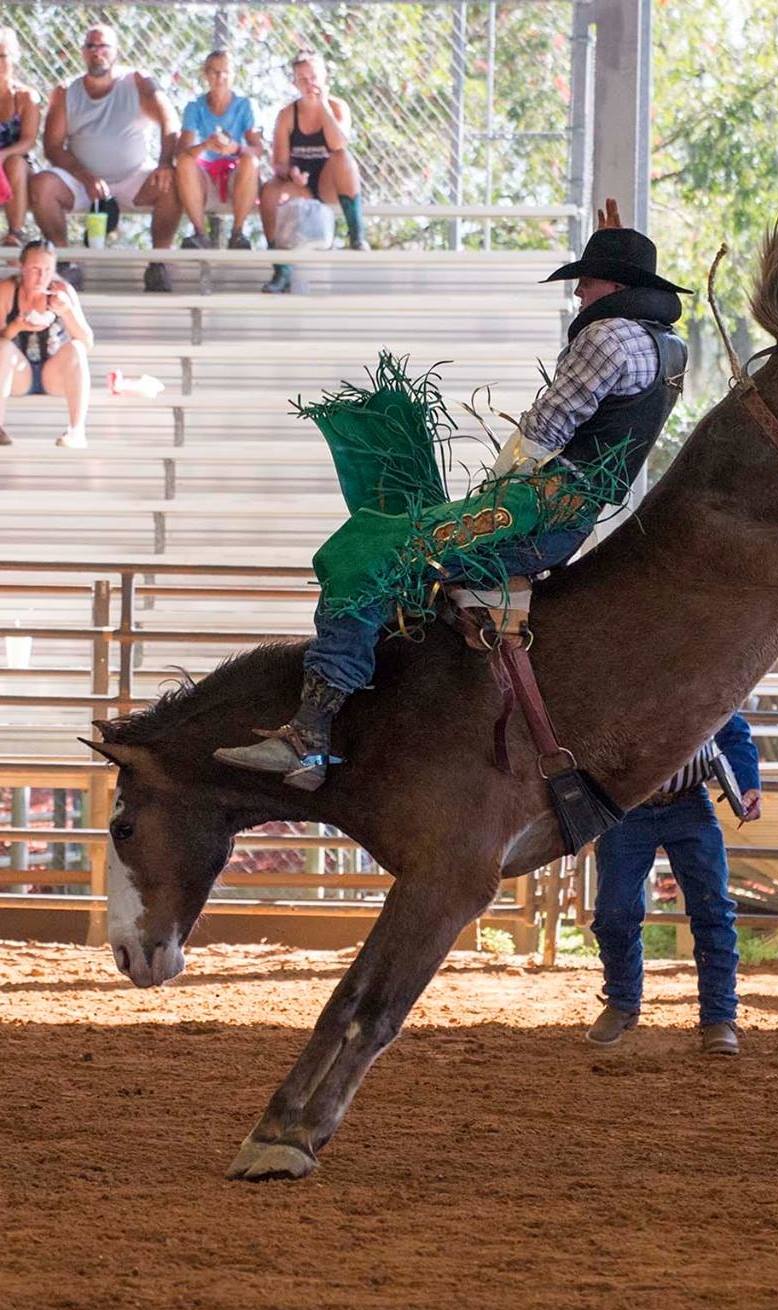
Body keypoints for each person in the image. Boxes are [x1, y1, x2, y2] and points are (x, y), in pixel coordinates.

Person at [213, 200, 690, 789]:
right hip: (570, 516)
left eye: (587, 283)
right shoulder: (666, 348)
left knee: (368, 555)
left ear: (614, 286)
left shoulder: (609, 335)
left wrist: (494, 493)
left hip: (537, 509)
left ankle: (310, 736)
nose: (579, 296)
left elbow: (549, 424)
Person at [587, 714, 762, 1058]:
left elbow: (732, 728)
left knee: (713, 908)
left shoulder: (699, 678)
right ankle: (622, 1002)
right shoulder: (624, 681)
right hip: (626, 802)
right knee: (614, 911)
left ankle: (719, 1017)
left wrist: (747, 781)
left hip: (685, 801)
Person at [30, 23, 181, 293]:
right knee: (42, 184)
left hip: (134, 177)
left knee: (173, 181)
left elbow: (170, 122)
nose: (96, 52)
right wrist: (85, 176)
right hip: (82, 182)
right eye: (90, 46)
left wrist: (165, 163)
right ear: (82, 52)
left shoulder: (138, 82)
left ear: (116, 51)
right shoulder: (67, 91)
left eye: (103, 46)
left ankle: (159, 263)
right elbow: (52, 146)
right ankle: (65, 264)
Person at [258, 50, 365, 294]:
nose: (309, 84)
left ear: (325, 77)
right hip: (301, 184)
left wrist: (323, 105)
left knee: (343, 158)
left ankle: (357, 236)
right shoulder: (287, 115)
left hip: (328, 181)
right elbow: (279, 163)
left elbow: (338, 143)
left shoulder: (338, 106)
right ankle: (281, 269)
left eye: (314, 77)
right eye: (302, 79)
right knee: (269, 191)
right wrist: (292, 173)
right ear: (295, 82)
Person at [0, 238, 94, 447]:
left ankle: (76, 431)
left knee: (76, 348)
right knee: (2, 347)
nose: (41, 276)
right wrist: (16, 327)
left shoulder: (62, 291)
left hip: (52, 373)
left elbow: (87, 342)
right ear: (22, 267)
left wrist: (67, 312)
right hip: (18, 374)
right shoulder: (7, 290)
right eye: (35, 269)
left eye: (47, 269)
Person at [175, 49, 261, 250]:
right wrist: (206, 145)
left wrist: (236, 148)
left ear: (233, 74)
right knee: (185, 163)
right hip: (205, 174)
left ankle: (238, 233)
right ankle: (199, 234)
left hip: (234, 174)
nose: (220, 77)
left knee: (251, 161)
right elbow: (182, 152)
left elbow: (257, 149)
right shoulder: (195, 107)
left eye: (225, 72)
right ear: (206, 75)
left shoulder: (245, 106)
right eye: (214, 72)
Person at [0, 28, 42, 247]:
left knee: (14, 163)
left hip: (18, 163)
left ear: (14, 57)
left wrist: (2, 155)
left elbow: (29, 140)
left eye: (1, 56)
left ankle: (15, 233)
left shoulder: (26, 97)